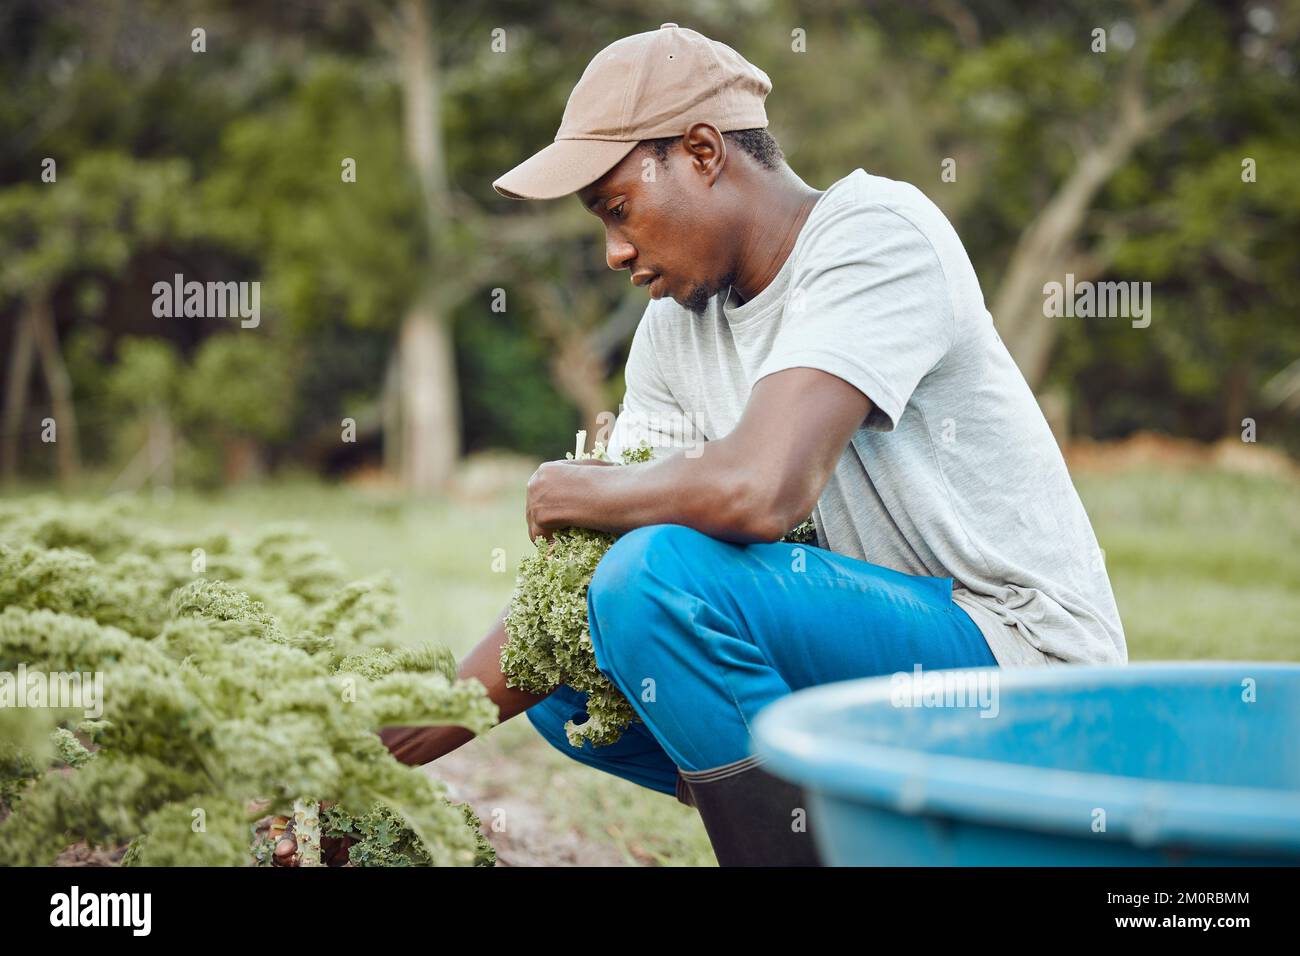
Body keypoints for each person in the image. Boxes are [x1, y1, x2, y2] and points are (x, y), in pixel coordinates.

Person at [379, 22, 1127, 867]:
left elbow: (763, 490)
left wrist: (572, 490)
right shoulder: (673, 329)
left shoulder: (876, 233)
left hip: (1026, 675)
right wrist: (388, 741)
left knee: (653, 581)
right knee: (565, 665)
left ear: (702, 151)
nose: (615, 249)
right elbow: (580, 580)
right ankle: (862, 847)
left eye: (618, 208)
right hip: (884, 670)